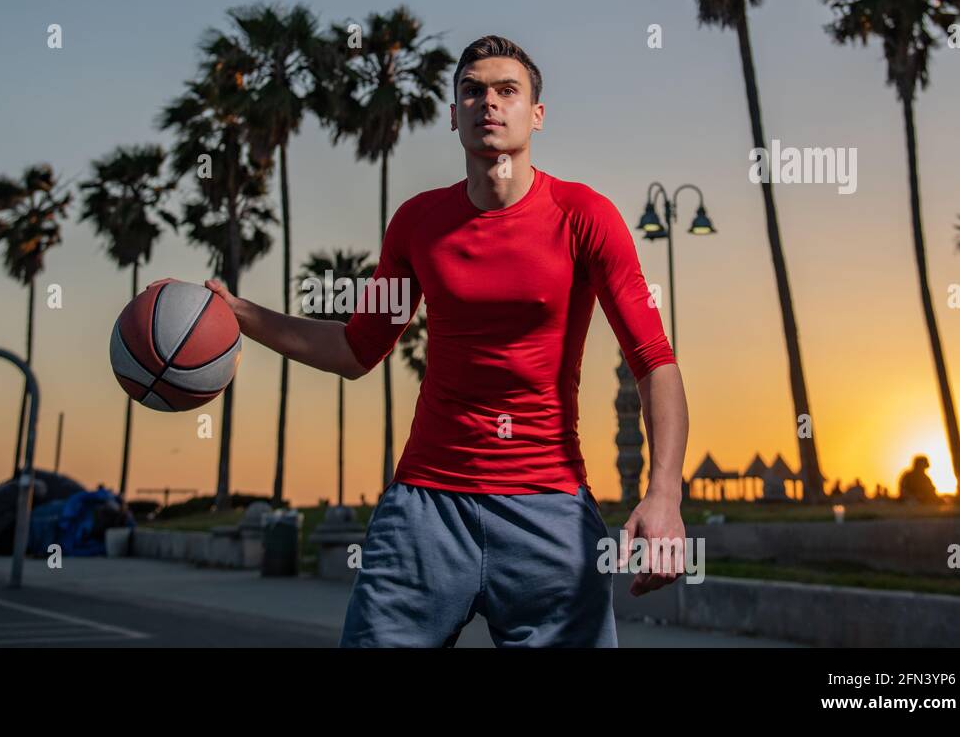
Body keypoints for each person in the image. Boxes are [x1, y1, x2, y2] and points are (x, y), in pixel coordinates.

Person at [151, 35, 689, 647]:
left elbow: (654, 361)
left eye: (507, 90)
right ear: (453, 112)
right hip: (425, 510)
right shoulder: (418, 222)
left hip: (550, 513)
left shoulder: (585, 216)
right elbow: (356, 349)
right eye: (472, 91)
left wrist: (664, 493)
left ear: (536, 114)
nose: (489, 102)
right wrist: (244, 314)